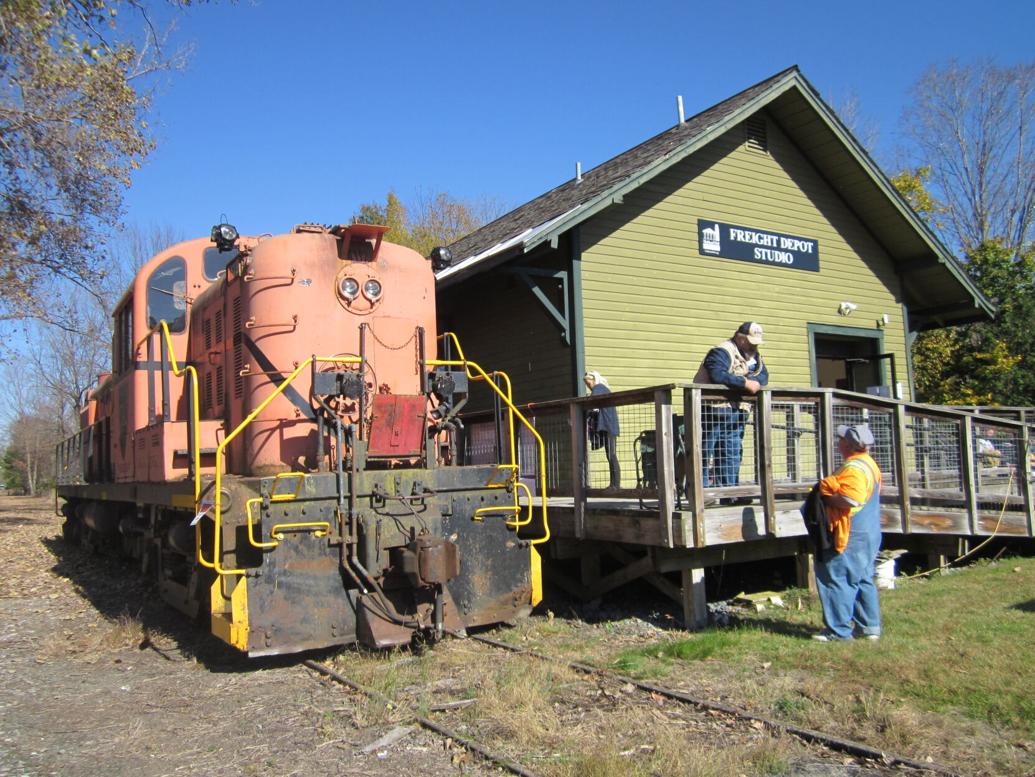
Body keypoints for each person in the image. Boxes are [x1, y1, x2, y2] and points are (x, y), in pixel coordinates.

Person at [812, 423, 883, 642]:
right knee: (862, 578)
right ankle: (870, 627)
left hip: (851, 532)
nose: (838, 442)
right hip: (870, 530)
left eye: (841, 439)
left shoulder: (854, 469)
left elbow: (852, 499)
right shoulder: (869, 464)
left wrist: (827, 498)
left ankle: (839, 631)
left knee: (837, 578)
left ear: (849, 444)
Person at [694, 322, 768, 498]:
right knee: (705, 451)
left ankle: (729, 494)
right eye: (751, 341)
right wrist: (745, 383)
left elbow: (763, 376)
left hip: (737, 411)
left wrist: (751, 380)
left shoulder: (754, 356)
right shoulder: (721, 351)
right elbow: (717, 374)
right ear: (740, 338)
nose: (755, 345)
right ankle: (704, 495)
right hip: (712, 409)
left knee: (732, 451)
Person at [583, 371, 621, 492]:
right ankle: (613, 484)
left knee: (611, 455)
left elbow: (590, 402)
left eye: (589, 383)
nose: (588, 386)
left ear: (594, 380)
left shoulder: (599, 388)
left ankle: (615, 485)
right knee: (611, 455)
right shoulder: (603, 389)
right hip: (608, 426)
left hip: (608, 426)